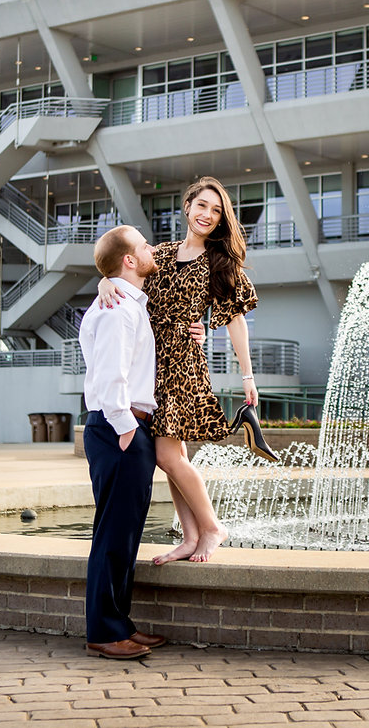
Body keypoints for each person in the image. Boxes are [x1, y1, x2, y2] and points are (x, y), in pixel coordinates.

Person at [99, 176, 258, 565]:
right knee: (173, 455)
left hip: (182, 366)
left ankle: (212, 527)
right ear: (187, 206)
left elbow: (236, 320)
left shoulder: (220, 262)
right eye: (202, 205)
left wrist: (247, 375)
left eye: (216, 210)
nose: (208, 215)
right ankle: (190, 536)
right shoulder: (163, 253)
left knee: (167, 456)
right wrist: (104, 282)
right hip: (151, 363)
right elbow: (125, 266)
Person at [77, 224, 168, 660]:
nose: (152, 249)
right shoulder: (117, 309)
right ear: (129, 260)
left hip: (122, 427)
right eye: (144, 245)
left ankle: (119, 623)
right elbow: (110, 372)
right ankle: (104, 632)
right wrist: (126, 427)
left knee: (124, 532)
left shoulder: (123, 301)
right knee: (113, 534)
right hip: (120, 428)